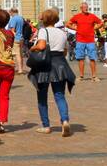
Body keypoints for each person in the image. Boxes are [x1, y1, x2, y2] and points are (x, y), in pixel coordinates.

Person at [29, 7, 75, 136]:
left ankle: (46, 125)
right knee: (60, 95)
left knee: (42, 96)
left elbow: (42, 46)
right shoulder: (62, 33)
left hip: (46, 65)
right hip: (60, 64)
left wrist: (33, 48)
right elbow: (65, 51)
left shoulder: (43, 31)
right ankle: (65, 120)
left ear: (44, 19)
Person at [67, 2, 103, 81]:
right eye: (84, 7)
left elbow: (100, 22)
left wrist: (95, 28)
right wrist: (75, 28)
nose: (86, 9)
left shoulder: (92, 16)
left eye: (87, 7)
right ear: (81, 8)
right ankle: (81, 76)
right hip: (80, 40)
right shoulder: (77, 16)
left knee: (92, 58)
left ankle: (94, 76)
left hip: (90, 40)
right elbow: (68, 24)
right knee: (80, 58)